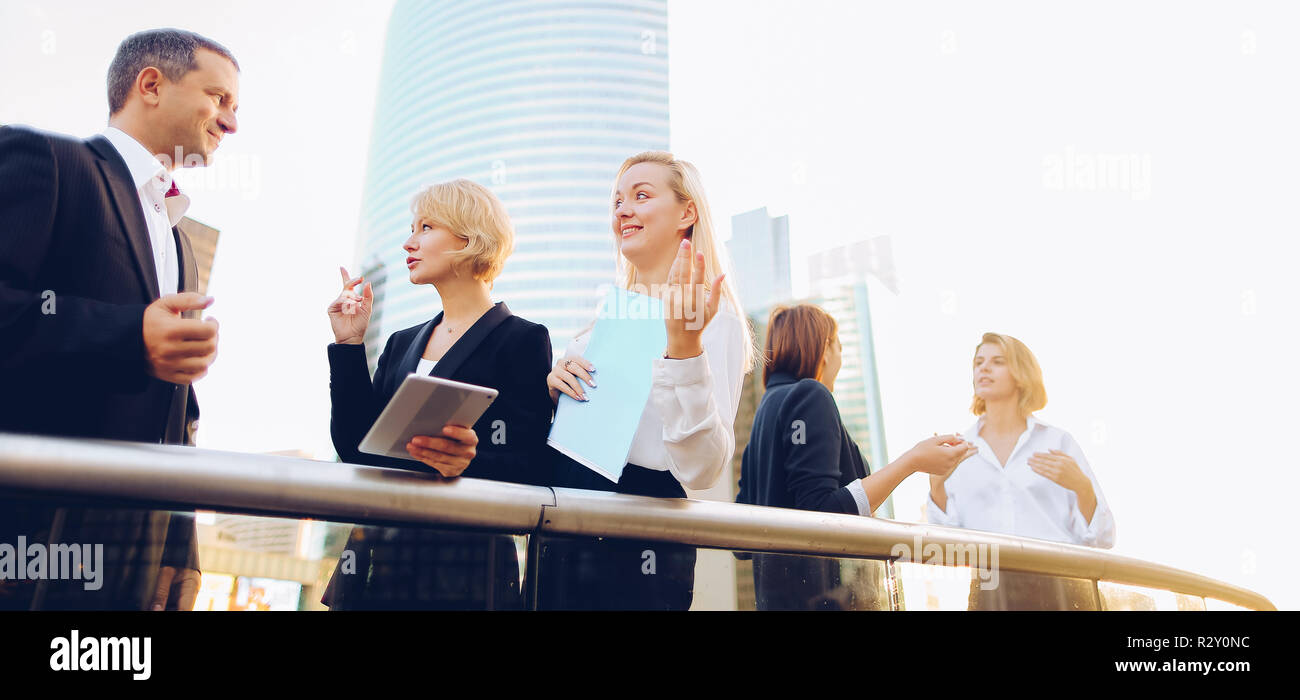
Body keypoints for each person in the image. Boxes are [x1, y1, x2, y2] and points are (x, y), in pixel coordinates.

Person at [0, 29, 238, 610]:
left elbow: (180, 413)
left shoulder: (183, 244)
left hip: (130, 557)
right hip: (28, 538)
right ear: (151, 85)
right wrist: (127, 335)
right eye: (219, 98)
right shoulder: (48, 162)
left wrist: (179, 549)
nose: (231, 124)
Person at [323, 178, 553, 609]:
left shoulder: (521, 339)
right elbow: (356, 449)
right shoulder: (400, 342)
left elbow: (533, 465)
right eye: (412, 228)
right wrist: (349, 346)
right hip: (375, 567)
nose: (409, 241)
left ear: (470, 238)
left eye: (426, 227)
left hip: (465, 577)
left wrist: (470, 459)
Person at [540, 151, 754, 610]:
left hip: (641, 543)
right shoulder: (600, 326)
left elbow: (701, 469)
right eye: (617, 200)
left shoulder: (715, 324)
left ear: (687, 212)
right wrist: (552, 393)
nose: (623, 209)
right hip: (563, 527)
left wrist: (684, 349)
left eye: (641, 196)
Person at [736, 304, 976, 610]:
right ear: (823, 349)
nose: (840, 357)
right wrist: (912, 461)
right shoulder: (810, 395)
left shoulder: (764, 413)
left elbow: (742, 542)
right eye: (838, 346)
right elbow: (822, 517)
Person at [927, 332, 1116, 548]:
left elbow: (1104, 540)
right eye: (979, 362)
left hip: (1059, 578)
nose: (984, 368)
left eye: (998, 362)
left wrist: (1083, 488)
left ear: (1022, 374)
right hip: (990, 580)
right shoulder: (959, 450)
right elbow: (946, 548)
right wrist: (937, 487)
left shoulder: (1058, 442)